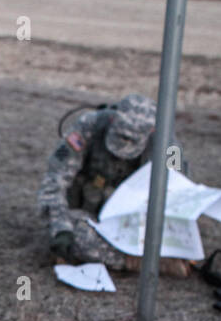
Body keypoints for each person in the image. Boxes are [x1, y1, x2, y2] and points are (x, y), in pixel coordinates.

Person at [38, 94, 191, 276]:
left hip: (135, 225)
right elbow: (55, 180)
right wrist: (61, 229)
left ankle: (138, 256)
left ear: (151, 131)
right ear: (111, 118)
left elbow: (177, 199)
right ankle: (138, 261)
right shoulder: (89, 126)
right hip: (89, 217)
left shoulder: (169, 148)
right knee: (64, 228)